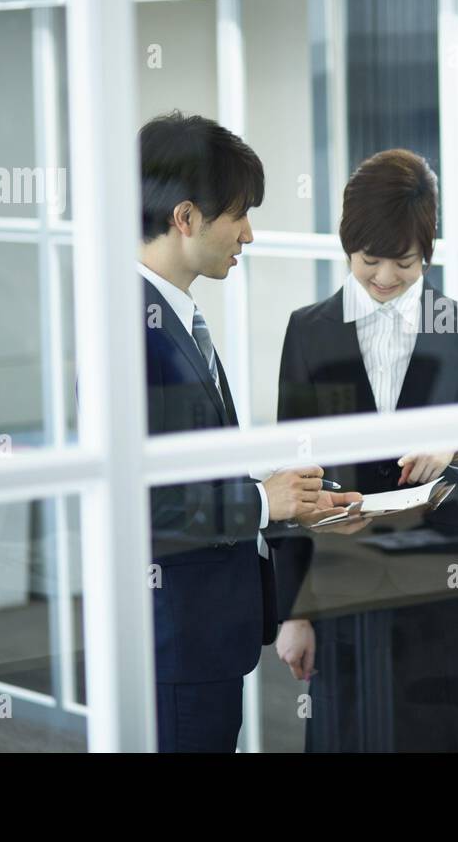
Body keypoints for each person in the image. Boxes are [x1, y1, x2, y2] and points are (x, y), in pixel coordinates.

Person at [137, 111, 365, 753]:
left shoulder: (171, 321)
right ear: (186, 219)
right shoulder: (133, 332)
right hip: (174, 644)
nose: (249, 234)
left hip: (201, 639)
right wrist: (267, 501)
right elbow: (146, 506)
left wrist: (304, 505)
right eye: (238, 214)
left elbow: (193, 476)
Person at [271, 148, 458, 752]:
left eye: (402, 262)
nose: (382, 277)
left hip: (442, 577)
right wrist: (292, 612)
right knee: (353, 733)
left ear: (427, 251)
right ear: (346, 246)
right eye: (367, 259)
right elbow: (292, 481)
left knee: (444, 734)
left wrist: (453, 449)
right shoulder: (308, 329)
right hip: (343, 576)